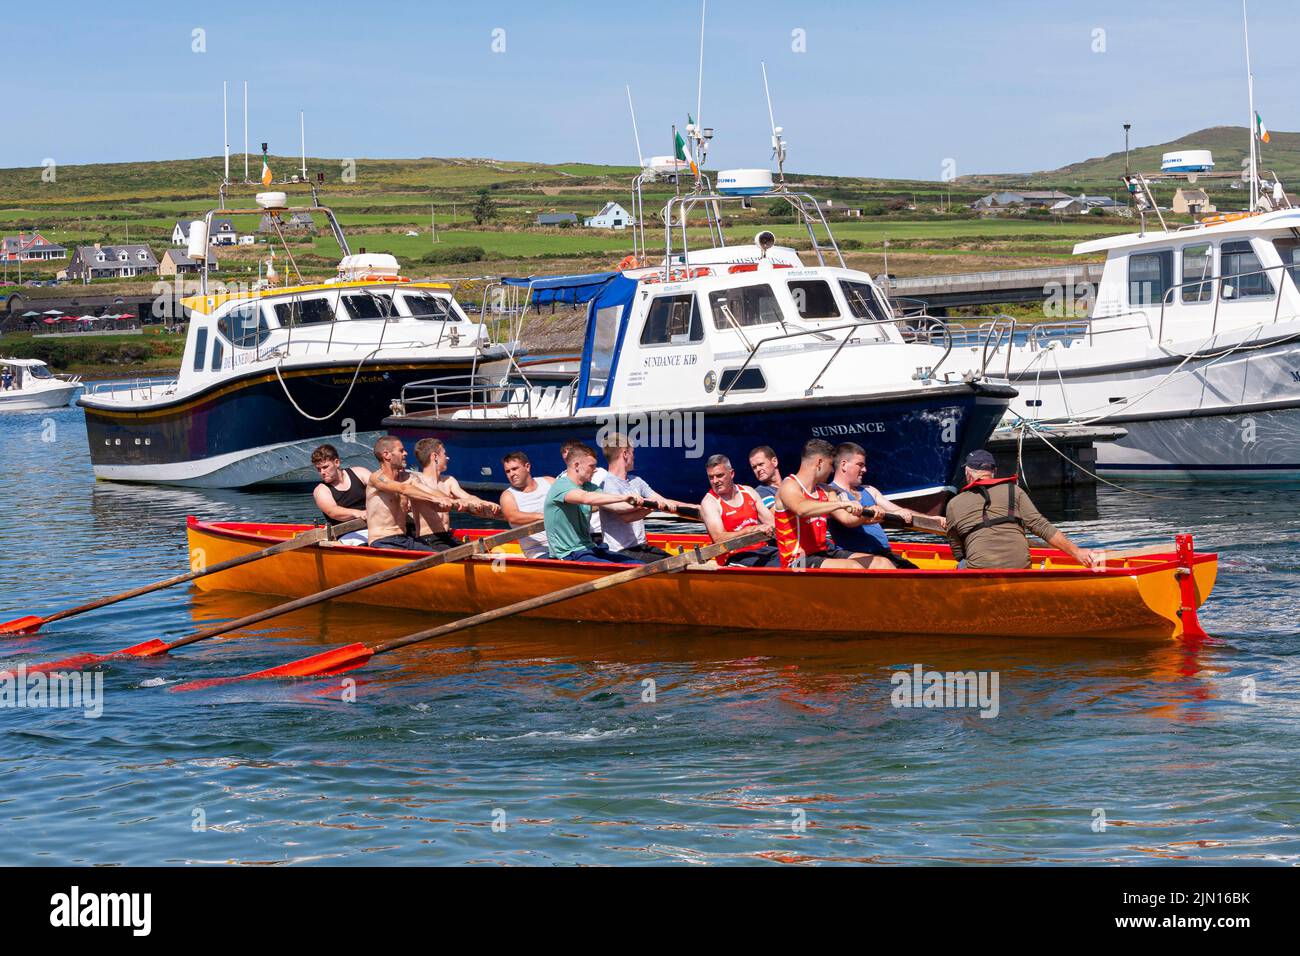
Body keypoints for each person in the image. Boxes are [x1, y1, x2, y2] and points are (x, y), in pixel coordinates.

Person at [945, 449, 1097, 570]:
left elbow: (958, 553)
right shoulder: (1014, 491)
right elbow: (1041, 526)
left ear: (968, 473)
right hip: (1020, 567)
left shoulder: (953, 504)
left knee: (960, 564)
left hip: (980, 570)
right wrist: (1077, 553)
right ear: (993, 472)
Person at [822, 442, 940, 569]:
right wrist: (882, 513)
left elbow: (900, 510)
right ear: (844, 465)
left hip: (884, 554)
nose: (864, 470)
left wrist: (930, 519)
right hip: (857, 557)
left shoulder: (870, 490)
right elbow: (848, 520)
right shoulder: (830, 492)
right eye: (860, 465)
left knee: (916, 574)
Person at [774, 438, 887, 569]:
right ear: (819, 463)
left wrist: (869, 513)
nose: (832, 470)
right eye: (831, 464)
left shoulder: (826, 490)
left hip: (823, 552)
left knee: (882, 563)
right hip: (797, 562)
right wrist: (842, 504)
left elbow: (847, 519)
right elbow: (801, 509)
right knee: (854, 568)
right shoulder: (789, 486)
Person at [598, 433, 695, 563]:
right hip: (620, 552)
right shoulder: (607, 484)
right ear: (625, 454)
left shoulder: (637, 481)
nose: (634, 457)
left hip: (640, 547)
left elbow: (661, 500)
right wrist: (651, 506)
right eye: (633, 452)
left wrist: (695, 507)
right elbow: (624, 514)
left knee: (679, 561)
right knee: (677, 563)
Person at [544, 442, 648, 563]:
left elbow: (616, 506)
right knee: (628, 569)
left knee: (637, 564)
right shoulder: (561, 485)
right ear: (576, 465)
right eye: (591, 466)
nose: (595, 471)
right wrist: (624, 497)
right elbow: (586, 498)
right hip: (567, 554)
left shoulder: (589, 486)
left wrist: (649, 506)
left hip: (589, 548)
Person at [365, 435, 459, 552]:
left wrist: (457, 502)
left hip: (405, 539)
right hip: (382, 541)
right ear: (386, 455)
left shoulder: (407, 477)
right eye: (401, 450)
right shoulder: (377, 478)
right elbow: (403, 489)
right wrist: (435, 499)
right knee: (434, 559)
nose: (405, 453)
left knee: (436, 554)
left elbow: (428, 490)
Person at [410, 438, 501, 549]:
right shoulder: (417, 481)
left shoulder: (448, 480)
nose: (447, 458)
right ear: (435, 457)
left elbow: (468, 497)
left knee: (482, 551)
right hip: (428, 539)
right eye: (444, 454)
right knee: (470, 555)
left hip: (447, 536)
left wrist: (485, 503)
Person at [699, 454, 782, 567]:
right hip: (735, 556)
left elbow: (773, 523)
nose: (715, 481)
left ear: (731, 473)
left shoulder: (749, 492)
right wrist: (747, 530)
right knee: (776, 567)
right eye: (711, 477)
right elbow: (719, 538)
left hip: (762, 550)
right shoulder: (710, 503)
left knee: (793, 559)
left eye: (719, 476)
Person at [310, 444, 371, 546]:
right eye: (319, 469)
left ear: (337, 462)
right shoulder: (321, 490)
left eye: (325, 467)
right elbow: (333, 511)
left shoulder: (360, 473)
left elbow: (381, 488)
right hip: (348, 535)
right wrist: (357, 513)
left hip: (376, 526)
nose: (322, 472)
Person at [498, 451, 553, 559]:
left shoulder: (549, 482)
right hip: (539, 551)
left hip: (567, 545)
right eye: (508, 471)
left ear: (527, 467)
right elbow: (513, 517)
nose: (511, 474)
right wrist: (543, 517)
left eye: (515, 469)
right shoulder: (508, 496)